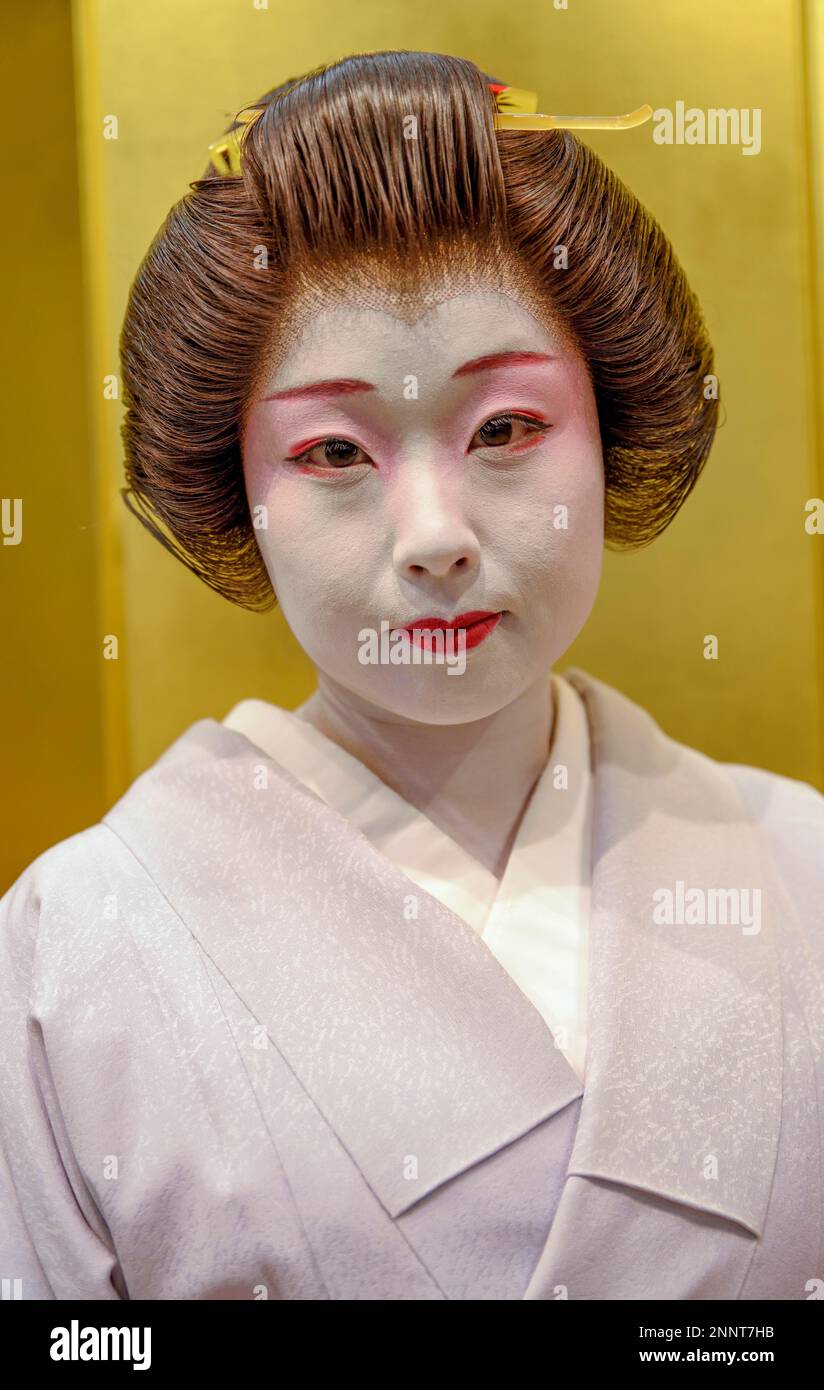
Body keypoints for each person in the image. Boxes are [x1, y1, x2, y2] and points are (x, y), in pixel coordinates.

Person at [1, 50, 822, 1301]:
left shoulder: (800, 870)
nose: (435, 532)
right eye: (332, 449)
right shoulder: (70, 952)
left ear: (612, 430)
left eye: (505, 427)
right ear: (239, 493)